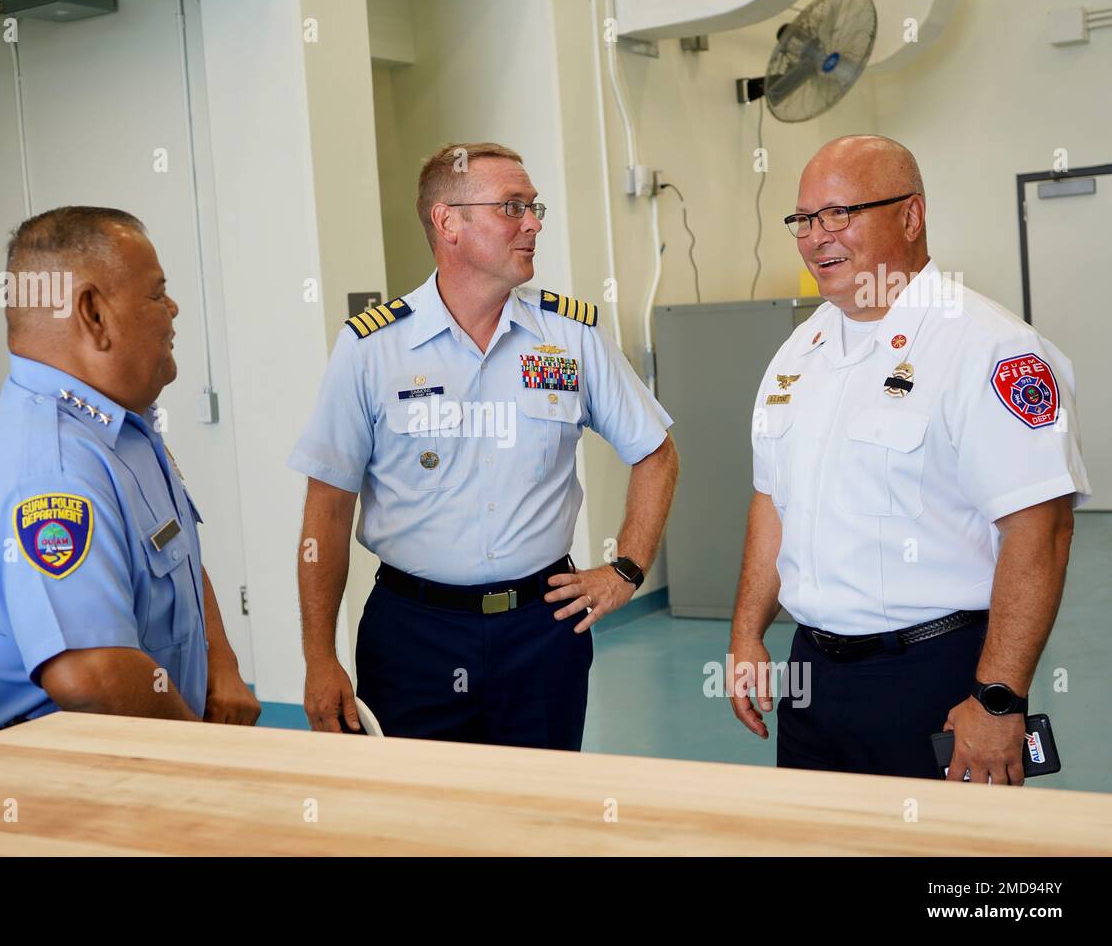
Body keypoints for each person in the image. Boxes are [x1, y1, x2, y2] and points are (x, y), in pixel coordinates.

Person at [289, 142, 678, 750]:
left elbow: (655, 451)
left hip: (543, 626)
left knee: (540, 815)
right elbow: (327, 507)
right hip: (413, 634)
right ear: (448, 221)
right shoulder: (373, 348)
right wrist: (319, 657)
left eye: (534, 206)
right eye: (512, 207)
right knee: (420, 821)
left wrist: (626, 569)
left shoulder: (569, 334)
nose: (534, 223)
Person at [727, 136, 1089, 783]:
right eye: (804, 220)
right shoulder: (798, 354)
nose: (816, 237)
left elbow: (1042, 530)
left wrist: (997, 699)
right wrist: (747, 634)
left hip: (936, 674)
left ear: (911, 216)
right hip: (812, 672)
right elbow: (771, 501)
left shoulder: (988, 347)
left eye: (840, 213)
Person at [0, 206, 260, 743]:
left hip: (139, 765)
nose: (173, 308)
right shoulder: (50, 467)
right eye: (157, 293)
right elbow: (91, 676)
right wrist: (212, 760)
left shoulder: (118, 429)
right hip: (53, 798)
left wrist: (219, 662)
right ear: (93, 314)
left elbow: (179, 560)